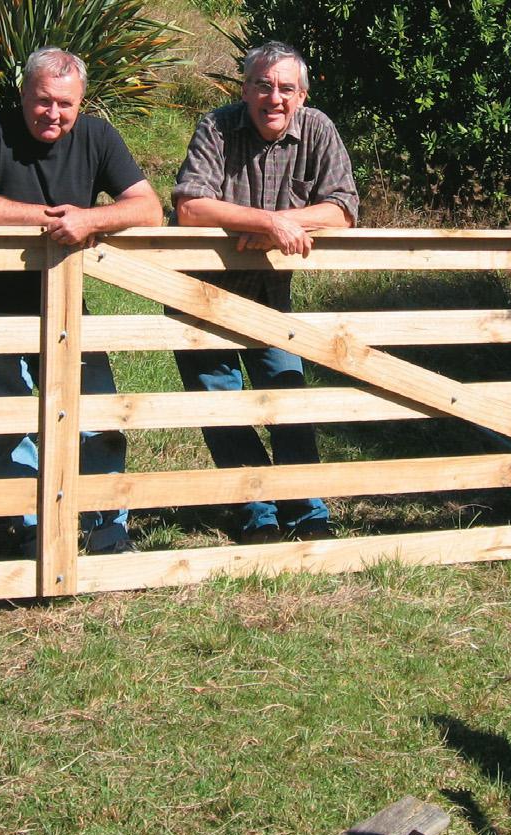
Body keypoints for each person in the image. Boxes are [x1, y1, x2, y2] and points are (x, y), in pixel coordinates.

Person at [0, 46, 163, 556]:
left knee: (97, 418)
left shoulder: (97, 136)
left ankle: (108, 530)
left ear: (81, 102)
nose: (53, 114)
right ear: (24, 93)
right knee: (10, 426)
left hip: (64, 302)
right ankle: (34, 532)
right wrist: (50, 221)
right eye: (43, 101)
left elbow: (149, 208)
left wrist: (90, 219)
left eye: (65, 104)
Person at [171, 41, 360, 545]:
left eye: (285, 88)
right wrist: (267, 222)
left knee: (287, 397)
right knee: (222, 405)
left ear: (302, 95)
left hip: (271, 296)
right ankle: (258, 510)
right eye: (263, 85)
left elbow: (342, 209)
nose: (273, 98)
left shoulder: (317, 128)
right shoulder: (216, 126)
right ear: (245, 87)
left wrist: (278, 224)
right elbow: (191, 206)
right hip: (200, 294)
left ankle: (306, 506)